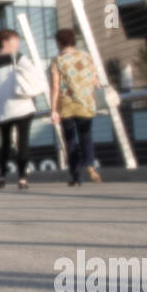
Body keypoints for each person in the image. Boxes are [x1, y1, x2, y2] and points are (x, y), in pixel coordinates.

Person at [0, 28, 44, 190]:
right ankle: (22, 178)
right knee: (22, 142)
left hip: (2, 110)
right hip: (22, 106)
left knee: (5, 143)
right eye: (15, 41)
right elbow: (35, 75)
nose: (18, 44)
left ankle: (2, 176)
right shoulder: (18, 58)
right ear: (5, 42)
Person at [49, 27, 102, 187]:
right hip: (86, 102)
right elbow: (94, 80)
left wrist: (53, 110)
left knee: (70, 141)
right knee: (86, 137)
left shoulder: (58, 60)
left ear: (59, 42)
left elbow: (56, 87)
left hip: (67, 105)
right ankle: (90, 165)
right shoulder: (86, 57)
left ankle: (76, 177)